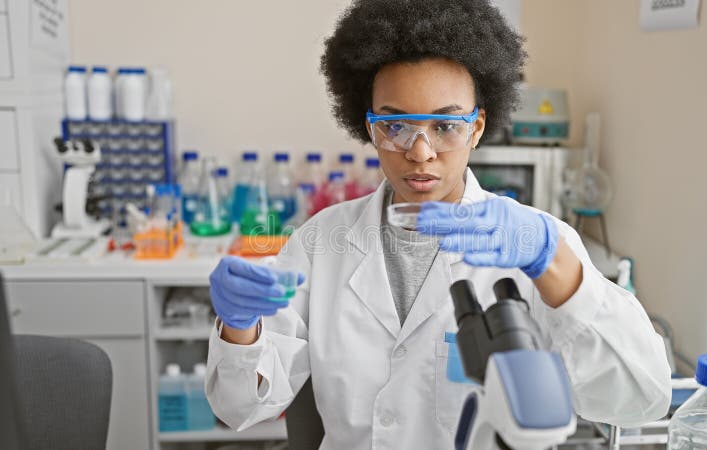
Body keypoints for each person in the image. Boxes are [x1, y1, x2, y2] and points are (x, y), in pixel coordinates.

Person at [205, 1, 671, 449]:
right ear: (369, 128)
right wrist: (239, 326)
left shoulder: (539, 245)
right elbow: (239, 406)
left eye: (447, 126)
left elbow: (642, 399)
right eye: (395, 126)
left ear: (478, 127)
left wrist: (560, 270)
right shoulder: (321, 241)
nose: (421, 152)